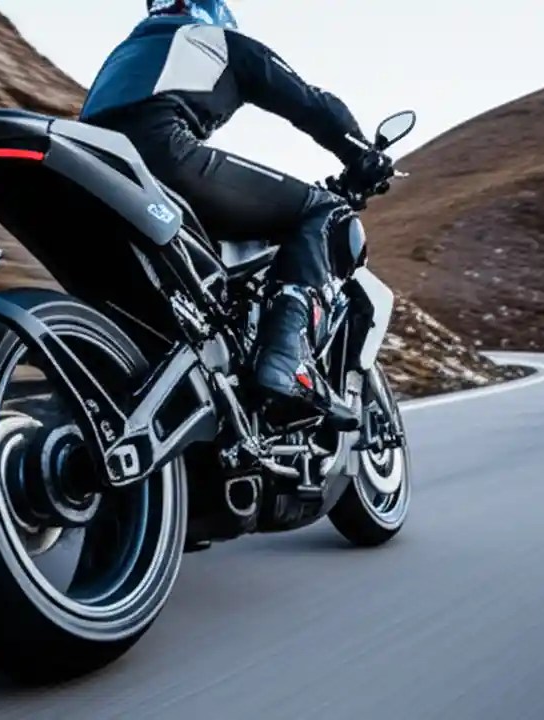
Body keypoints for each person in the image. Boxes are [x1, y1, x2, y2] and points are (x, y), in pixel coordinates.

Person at [79, 0, 394, 431]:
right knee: (321, 209)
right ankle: (287, 360)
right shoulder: (218, 41)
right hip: (164, 154)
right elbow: (308, 103)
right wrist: (362, 154)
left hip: (100, 172)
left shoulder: (123, 55)